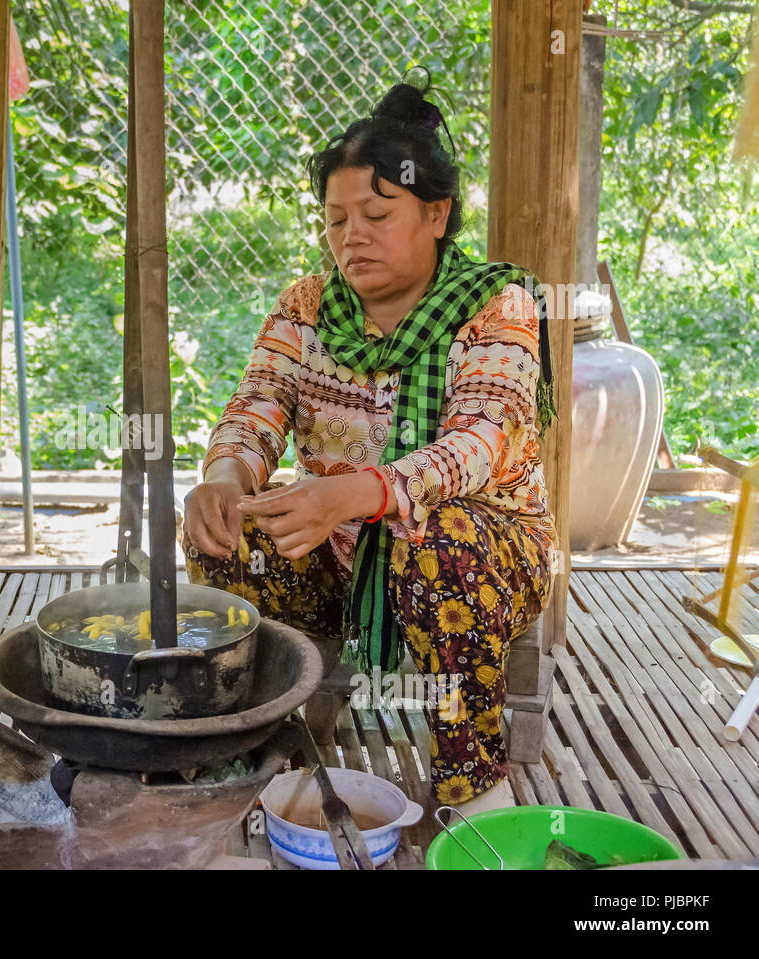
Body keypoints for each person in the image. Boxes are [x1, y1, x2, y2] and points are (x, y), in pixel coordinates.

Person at [182, 77, 556, 815]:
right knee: (225, 534)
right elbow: (256, 408)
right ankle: (256, 742)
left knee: (435, 539)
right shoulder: (306, 307)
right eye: (336, 218)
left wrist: (358, 494)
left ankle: (474, 792)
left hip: (480, 560)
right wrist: (224, 479)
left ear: (436, 213)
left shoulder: (496, 304)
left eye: (377, 214)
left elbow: (482, 438)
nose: (352, 235)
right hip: (337, 552)